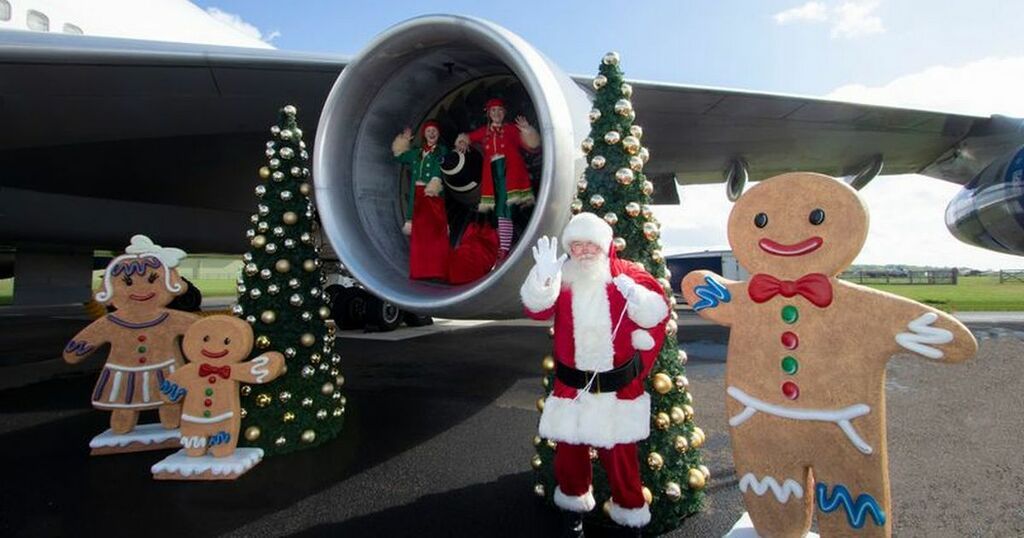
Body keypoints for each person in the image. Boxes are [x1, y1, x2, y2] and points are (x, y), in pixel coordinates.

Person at [519, 213, 670, 536]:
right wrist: (543, 279)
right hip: (572, 389)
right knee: (569, 459)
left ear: (604, 245)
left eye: (590, 243)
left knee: (622, 462)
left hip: (617, 392)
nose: (584, 250)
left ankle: (630, 516)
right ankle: (573, 513)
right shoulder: (563, 278)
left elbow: (657, 312)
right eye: (576, 245)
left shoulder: (627, 274)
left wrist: (637, 297)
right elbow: (536, 309)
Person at [455, 98, 540, 259]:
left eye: (499, 110)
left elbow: (532, 147)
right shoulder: (484, 132)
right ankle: (503, 245)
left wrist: (527, 130)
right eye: (493, 111)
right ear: (488, 114)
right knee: (502, 211)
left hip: (512, 173)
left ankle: (505, 247)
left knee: (506, 209)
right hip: (494, 175)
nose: (496, 113)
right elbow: (468, 137)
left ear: (504, 113)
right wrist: (462, 142)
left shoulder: (512, 130)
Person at [392, 120, 450, 280]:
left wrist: (434, 183)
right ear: (424, 134)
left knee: (436, 235)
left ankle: (438, 271)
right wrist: (404, 140)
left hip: (432, 196)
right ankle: (420, 271)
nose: (431, 133)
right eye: (428, 131)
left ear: (438, 134)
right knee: (419, 238)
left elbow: (441, 165)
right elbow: (399, 156)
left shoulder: (441, 151)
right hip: (417, 197)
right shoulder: (417, 153)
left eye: (434, 131)